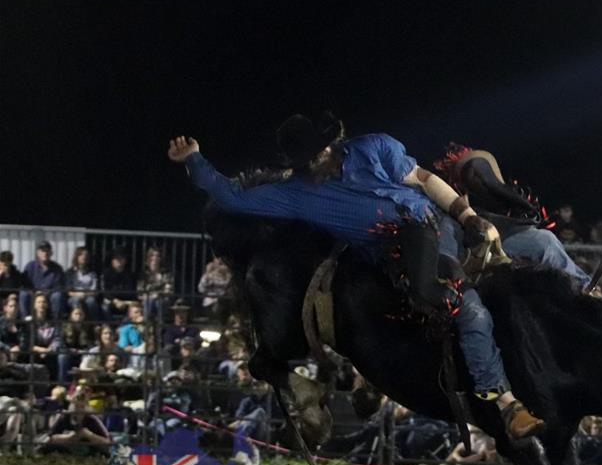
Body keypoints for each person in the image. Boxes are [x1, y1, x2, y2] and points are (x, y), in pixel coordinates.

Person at [169, 117, 544, 439]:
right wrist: (194, 160)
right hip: (400, 249)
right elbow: (232, 197)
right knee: (466, 306)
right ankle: (507, 405)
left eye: (320, 152)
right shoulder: (295, 193)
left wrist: (468, 217)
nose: (317, 162)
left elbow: (425, 179)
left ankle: (579, 298)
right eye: (308, 158)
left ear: (330, 144)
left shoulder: (373, 147)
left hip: (441, 222)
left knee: (538, 243)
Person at [431, 144, 591, 288]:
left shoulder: (497, 198)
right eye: (473, 175)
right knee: (544, 241)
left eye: (480, 173)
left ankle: (580, 285)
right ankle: (582, 286)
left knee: (544, 240)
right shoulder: (452, 211)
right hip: (483, 253)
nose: (478, 178)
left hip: (502, 241)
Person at [20, 241, 65, 319]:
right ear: (37, 253)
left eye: (47, 251)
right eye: (42, 251)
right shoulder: (30, 266)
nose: (45, 253)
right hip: (33, 295)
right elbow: (25, 284)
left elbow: (58, 287)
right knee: (23, 294)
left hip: (49, 296)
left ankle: (56, 323)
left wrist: (45, 293)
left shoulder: (57, 268)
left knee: (57, 296)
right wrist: (35, 292)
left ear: (51, 253)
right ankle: (26, 320)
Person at [100, 249, 138, 321]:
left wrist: (123, 302)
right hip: (111, 301)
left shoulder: (130, 274)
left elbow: (131, 292)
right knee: (104, 308)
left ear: (125, 260)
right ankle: (110, 328)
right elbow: (105, 291)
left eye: (122, 258)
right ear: (112, 260)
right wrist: (115, 300)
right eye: (117, 258)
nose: (119, 261)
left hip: (126, 302)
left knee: (134, 309)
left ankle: (123, 328)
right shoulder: (106, 274)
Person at [65, 246, 100, 320]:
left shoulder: (93, 273)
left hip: (89, 296)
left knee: (91, 301)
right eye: (81, 255)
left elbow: (95, 291)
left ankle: (95, 324)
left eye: (86, 255)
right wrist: (77, 294)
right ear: (76, 257)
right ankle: (75, 323)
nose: (84, 257)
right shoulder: (70, 272)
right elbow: (68, 291)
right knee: (76, 300)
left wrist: (85, 294)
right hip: (74, 296)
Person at [198, 256, 234, 322]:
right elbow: (201, 289)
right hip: (211, 304)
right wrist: (207, 275)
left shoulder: (229, 276)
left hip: (225, 304)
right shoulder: (209, 275)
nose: (220, 263)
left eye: (222, 263)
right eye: (218, 260)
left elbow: (230, 287)